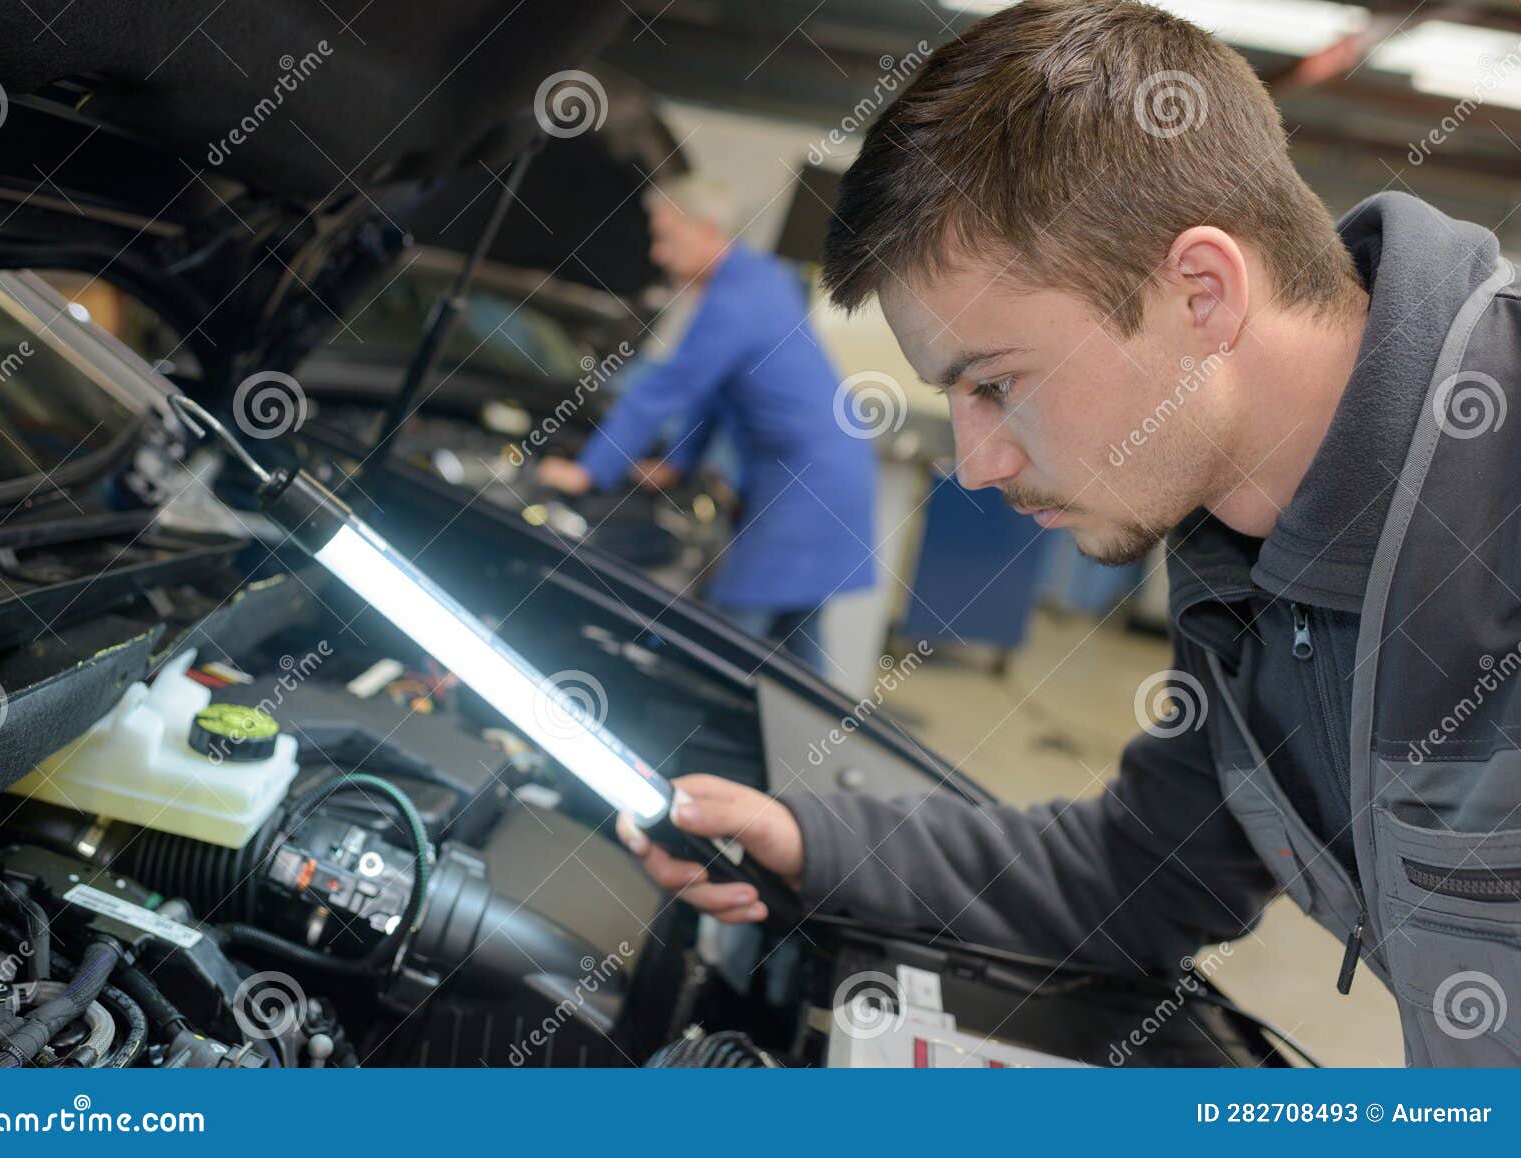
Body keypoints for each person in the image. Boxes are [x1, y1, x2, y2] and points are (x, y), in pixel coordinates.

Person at [618, 0, 1521, 1066]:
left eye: (996, 384)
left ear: (1201, 292)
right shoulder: (1237, 546)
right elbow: (1141, 875)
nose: (975, 462)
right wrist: (814, 841)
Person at [536, 176, 875, 674]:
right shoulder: (759, 278)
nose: (658, 253)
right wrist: (677, 462)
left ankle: (682, 740)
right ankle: (823, 745)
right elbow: (716, 394)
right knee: (799, 647)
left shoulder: (734, 301)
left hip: (807, 487)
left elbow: (667, 389)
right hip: (828, 475)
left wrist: (589, 471)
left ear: (708, 230)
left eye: (667, 237)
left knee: (722, 645)